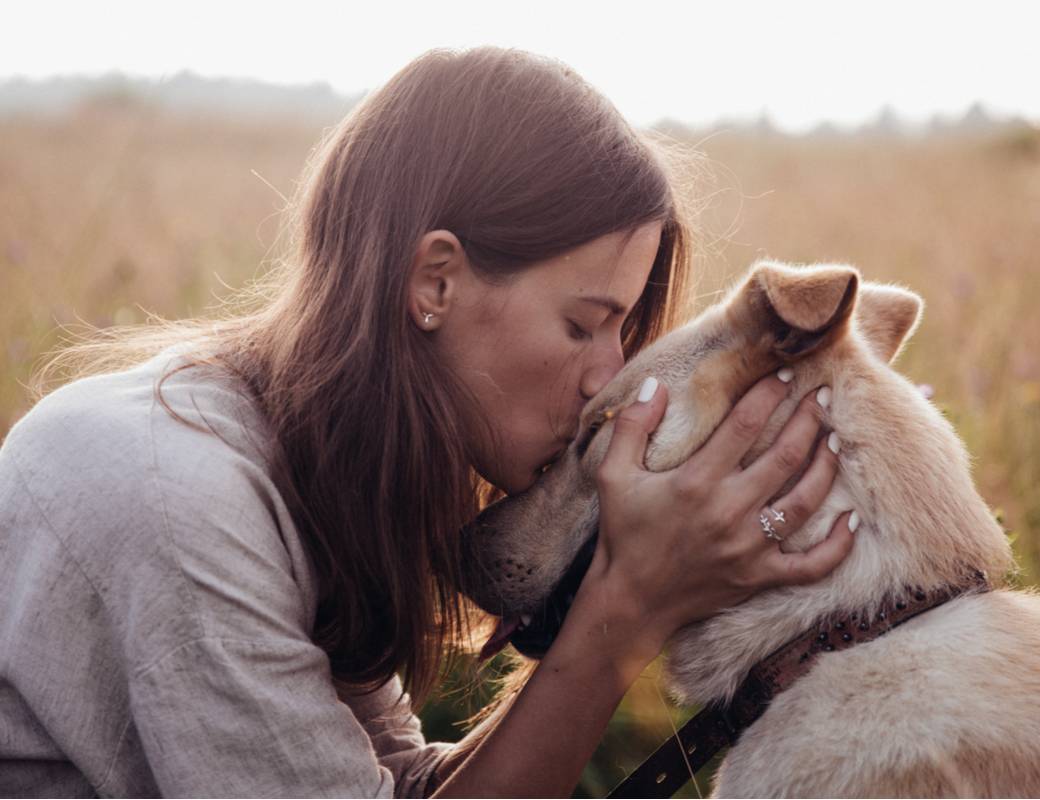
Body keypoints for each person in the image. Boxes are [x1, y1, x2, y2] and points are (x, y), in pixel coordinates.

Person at [0, 47, 855, 797]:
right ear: (435, 281)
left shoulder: (305, 470)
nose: (608, 379)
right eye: (582, 324)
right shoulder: (179, 502)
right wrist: (626, 609)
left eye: (625, 331)